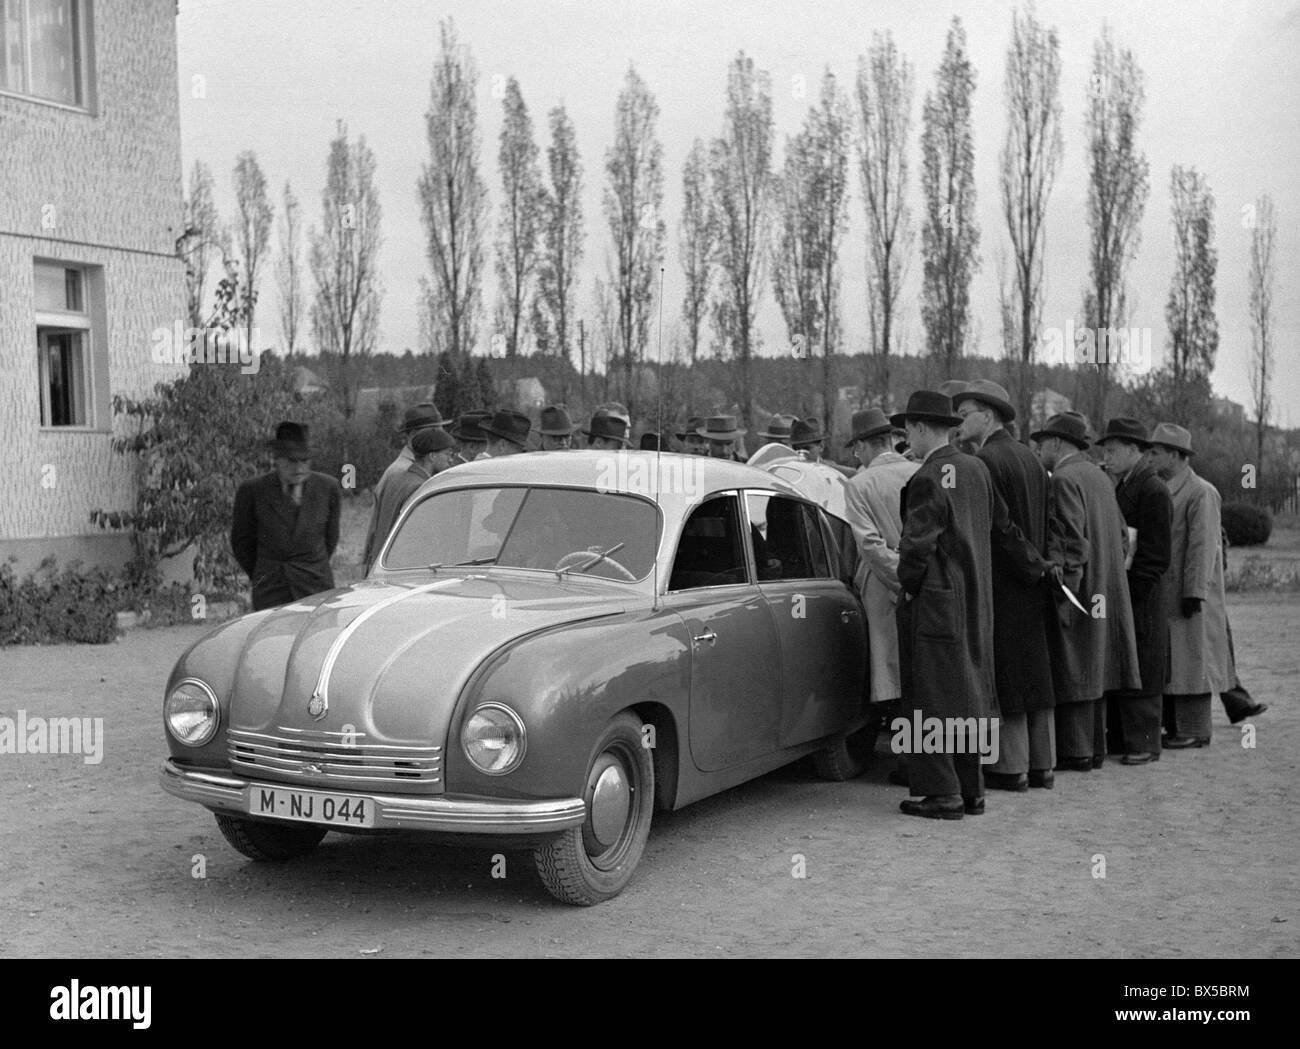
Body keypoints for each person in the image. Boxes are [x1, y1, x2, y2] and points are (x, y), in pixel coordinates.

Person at [893, 391, 1046, 819]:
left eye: (909, 431)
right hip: (978, 601)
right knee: (967, 694)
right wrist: (1038, 567)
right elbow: (1006, 530)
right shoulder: (976, 468)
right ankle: (970, 789)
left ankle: (943, 794)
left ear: (923, 429)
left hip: (939, 603)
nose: (908, 439)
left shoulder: (931, 475)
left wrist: (907, 585)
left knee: (932, 695)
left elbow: (916, 546)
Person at [954, 380, 1057, 790]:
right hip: (1033, 578)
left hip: (1004, 580)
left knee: (1008, 673)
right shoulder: (1031, 459)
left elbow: (1000, 529)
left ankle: (1010, 767)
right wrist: (1040, 565)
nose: (959, 423)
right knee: (1035, 670)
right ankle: (1042, 765)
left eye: (964, 415)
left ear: (988, 416)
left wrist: (1027, 563)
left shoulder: (986, 462)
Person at [1031, 412, 1141, 772]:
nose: (1038, 448)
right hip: (1109, 585)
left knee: (1077, 664)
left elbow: (1071, 545)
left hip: (1083, 587)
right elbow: (1124, 537)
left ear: (1058, 443)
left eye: (1043, 441)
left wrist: (1066, 596)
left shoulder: (1063, 478)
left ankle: (1077, 751)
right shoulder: (1100, 476)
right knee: (1098, 666)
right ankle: (1093, 748)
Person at [1146, 423, 1232, 748]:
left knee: (1194, 661)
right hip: (1172, 591)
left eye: (1156, 452)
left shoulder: (1201, 492)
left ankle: (1195, 729)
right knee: (1178, 661)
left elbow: (1203, 546)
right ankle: (1182, 727)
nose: (1150, 457)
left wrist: (1194, 591)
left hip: (1190, 594)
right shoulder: (1169, 488)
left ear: (1175, 454)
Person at [1096, 417, 1172, 765]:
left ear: (1132, 450)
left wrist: (1132, 594)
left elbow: (1156, 556)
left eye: (1112, 450)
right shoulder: (1129, 483)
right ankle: (1130, 740)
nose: (1107, 457)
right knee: (1133, 661)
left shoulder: (1152, 490)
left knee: (1143, 661)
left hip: (1141, 595)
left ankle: (1143, 742)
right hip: (1129, 592)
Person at [844, 407, 918, 718]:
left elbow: (870, 545)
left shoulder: (859, 484)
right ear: (890, 439)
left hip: (881, 583)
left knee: (891, 671)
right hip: (924, 580)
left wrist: (898, 577)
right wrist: (916, 576)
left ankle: (904, 753)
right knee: (920, 669)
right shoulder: (920, 471)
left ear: (861, 446)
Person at [231, 422, 341, 611]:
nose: (299, 468)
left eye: (304, 461)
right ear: (277, 459)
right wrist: (264, 574)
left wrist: (309, 566)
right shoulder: (252, 490)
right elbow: (242, 544)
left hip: (316, 589)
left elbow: (330, 540)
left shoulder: (328, 488)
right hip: (271, 592)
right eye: (291, 461)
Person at [363, 402, 446, 569]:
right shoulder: (405, 473)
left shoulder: (403, 468)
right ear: (413, 435)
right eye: (433, 430)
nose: (441, 435)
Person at [791, 417, 856, 477]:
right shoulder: (789, 470)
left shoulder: (830, 468)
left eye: (806, 449)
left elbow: (854, 474)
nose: (801, 453)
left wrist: (823, 465)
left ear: (821, 446)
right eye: (796, 449)